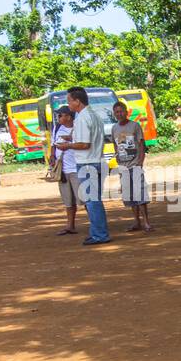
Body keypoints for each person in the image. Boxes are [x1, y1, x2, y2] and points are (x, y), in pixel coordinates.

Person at [56, 86, 110, 245]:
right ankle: (97, 232)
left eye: (69, 101)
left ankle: (100, 234)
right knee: (94, 201)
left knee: (92, 202)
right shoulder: (94, 115)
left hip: (87, 164)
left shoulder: (82, 118)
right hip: (97, 161)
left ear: (77, 101)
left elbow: (84, 144)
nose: (69, 105)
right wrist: (71, 139)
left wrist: (68, 146)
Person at [111, 100, 152, 232]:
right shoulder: (114, 128)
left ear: (126, 112)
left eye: (121, 111)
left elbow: (141, 144)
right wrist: (117, 159)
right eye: (116, 112)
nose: (119, 114)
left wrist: (140, 161)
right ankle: (136, 222)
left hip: (135, 165)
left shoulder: (134, 126)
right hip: (123, 166)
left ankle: (146, 222)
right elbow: (115, 145)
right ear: (114, 114)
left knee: (140, 194)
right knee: (129, 196)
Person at [51, 106, 79, 236]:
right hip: (63, 169)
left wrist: (69, 144)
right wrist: (52, 157)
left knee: (83, 199)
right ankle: (70, 226)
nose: (58, 118)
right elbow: (53, 145)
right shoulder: (57, 128)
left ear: (68, 116)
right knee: (68, 200)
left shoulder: (78, 128)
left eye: (60, 115)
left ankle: (94, 224)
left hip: (76, 169)